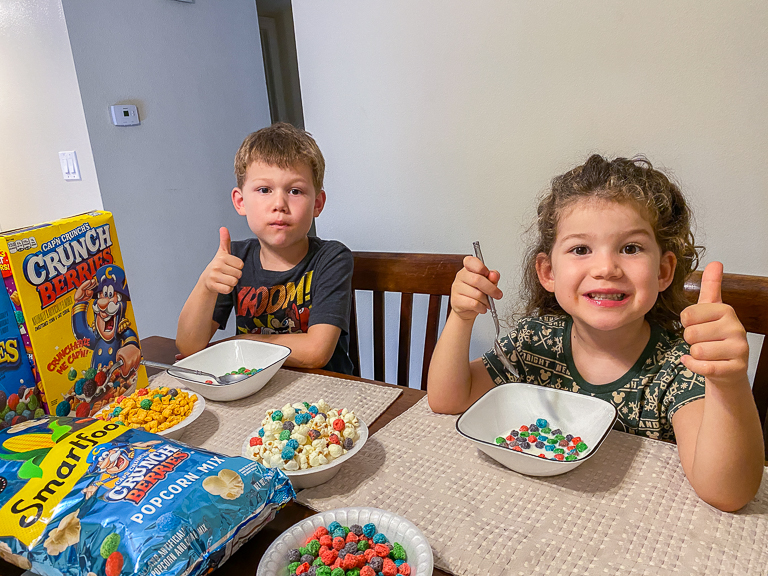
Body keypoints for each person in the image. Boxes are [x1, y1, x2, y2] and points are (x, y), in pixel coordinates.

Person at [427, 154, 764, 512]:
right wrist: (461, 317)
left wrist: (728, 381)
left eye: (630, 248)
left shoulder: (678, 367)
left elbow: (728, 493)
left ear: (664, 271)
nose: (605, 268)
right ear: (548, 272)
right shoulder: (536, 340)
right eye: (581, 249)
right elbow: (448, 399)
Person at [177, 123, 354, 374]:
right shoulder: (235, 258)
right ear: (241, 202)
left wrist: (240, 343)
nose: (279, 204)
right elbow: (189, 346)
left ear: (317, 203)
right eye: (264, 190)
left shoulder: (332, 258)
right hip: (256, 390)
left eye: (295, 191)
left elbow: (316, 352)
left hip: (324, 393)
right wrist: (205, 285)